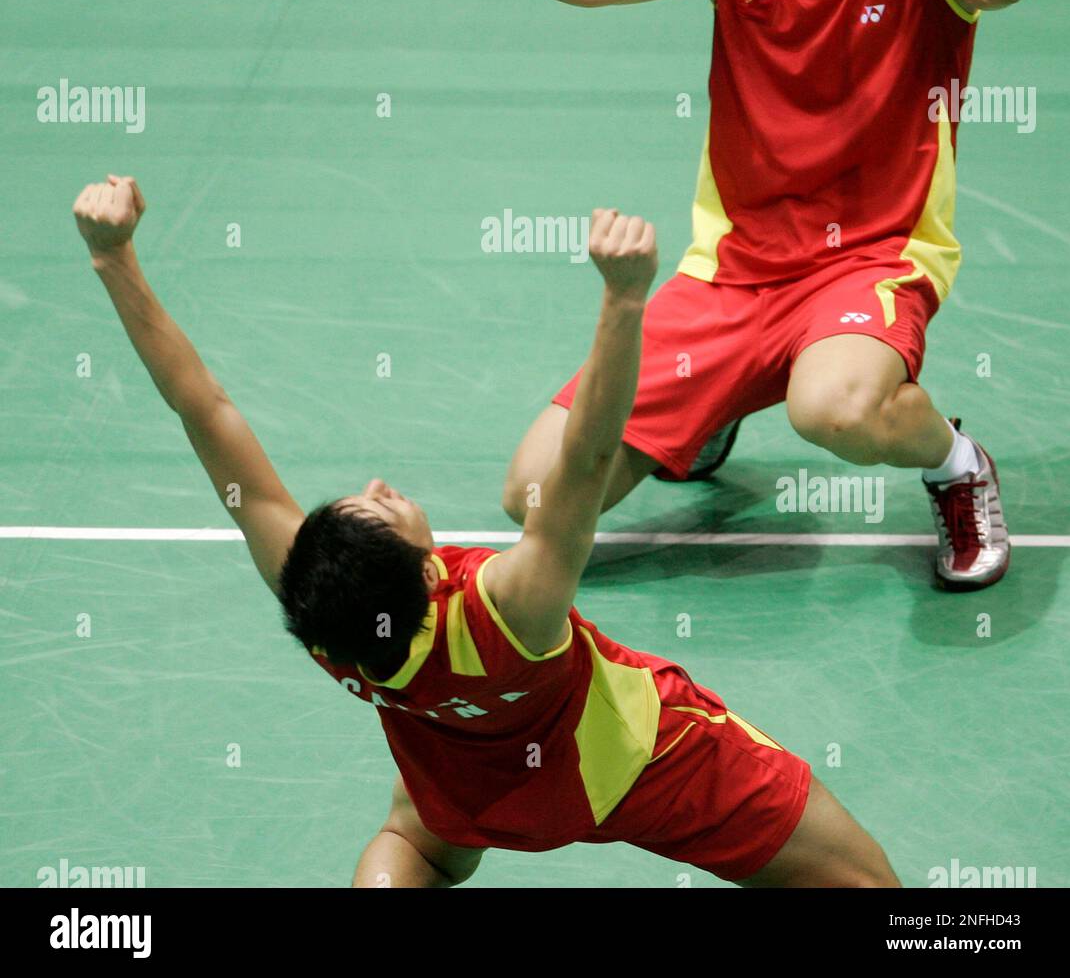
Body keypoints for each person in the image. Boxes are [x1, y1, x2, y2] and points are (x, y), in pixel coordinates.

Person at [74, 176, 898, 887]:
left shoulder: (332, 627)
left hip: (467, 793)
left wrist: (113, 263)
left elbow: (204, 410)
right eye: (383, 508)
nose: (380, 486)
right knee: (865, 884)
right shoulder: (507, 609)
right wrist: (622, 300)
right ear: (422, 568)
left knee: (413, 845)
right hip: (642, 765)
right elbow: (585, 461)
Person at [504, 0, 1032, 589]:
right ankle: (715, 404)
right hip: (733, 271)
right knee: (533, 498)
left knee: (832, 408)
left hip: (872, 257)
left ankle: (955, 466)